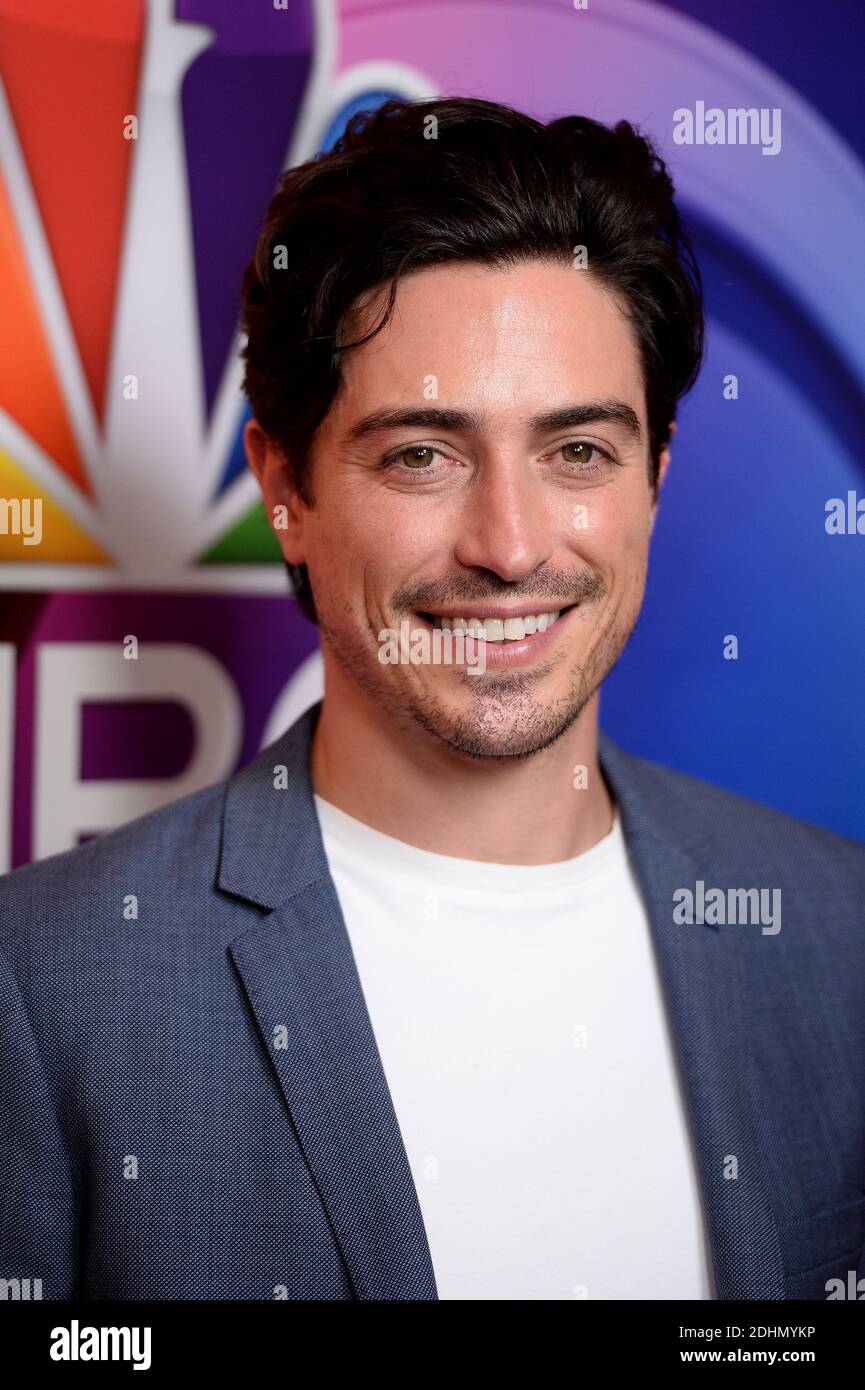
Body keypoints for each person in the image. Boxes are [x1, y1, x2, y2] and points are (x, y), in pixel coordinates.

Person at [1, 98, 863, 1302]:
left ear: (655, 476)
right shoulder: (42, 984)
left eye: (577, 451)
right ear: (283, 487)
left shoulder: (838, 934)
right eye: (421, 454)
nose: (509, 547)